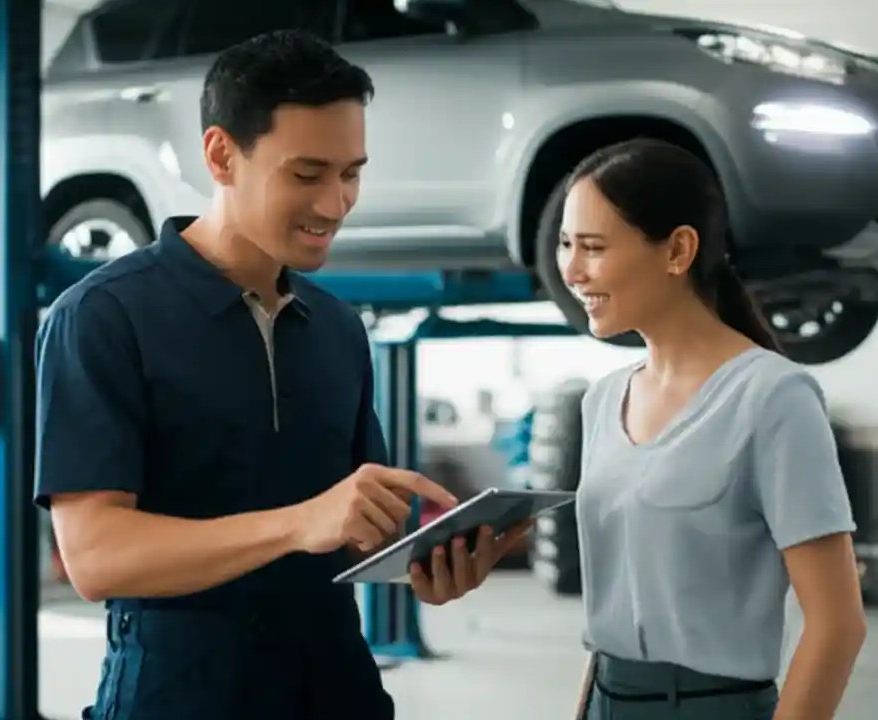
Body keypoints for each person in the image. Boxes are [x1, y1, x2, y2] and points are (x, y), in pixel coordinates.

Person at [33, 30, 528, 719]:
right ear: (221, 155)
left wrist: (431, 561)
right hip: (180, 698)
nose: (335, 203)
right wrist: (300, 524)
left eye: (351, 172)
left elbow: (354, 529)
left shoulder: (336, 327)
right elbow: (96, 557)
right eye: (306, 174)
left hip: (339, 694)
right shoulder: (101, 317)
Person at [557, 138, 867, 720]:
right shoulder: (601, 401)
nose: (572, 270)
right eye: (566, 244)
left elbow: (838, 624)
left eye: (593, 247)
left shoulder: (773, 398)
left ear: (678, 250)